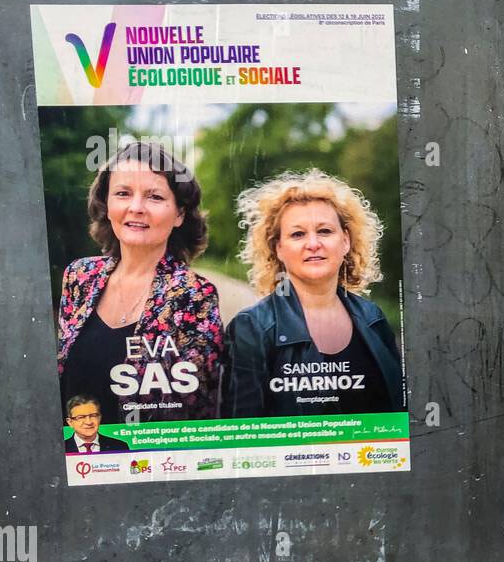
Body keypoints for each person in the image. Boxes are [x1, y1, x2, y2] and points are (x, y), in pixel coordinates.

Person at [57, 142, 223, 425]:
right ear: (107, 206)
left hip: (147, 460)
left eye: (154, 197)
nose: (136, 208)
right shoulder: (79, 277)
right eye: (122, 193)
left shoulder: (196, 295)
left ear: (179, 214)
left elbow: (196, 410)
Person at [220, 169, 404, 419]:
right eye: (298, 234)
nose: (313, 243)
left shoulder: (374, 318)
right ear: (279, 249)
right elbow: (242, 436)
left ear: (346, 241)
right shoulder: (251, 328)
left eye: (325, 231)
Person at [62, 395, 130, 453]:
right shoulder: (61, 449)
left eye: (93, 416)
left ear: (100, 418)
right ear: (70, 422)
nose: (88, 422)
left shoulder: (120, 447)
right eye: (81, 417)